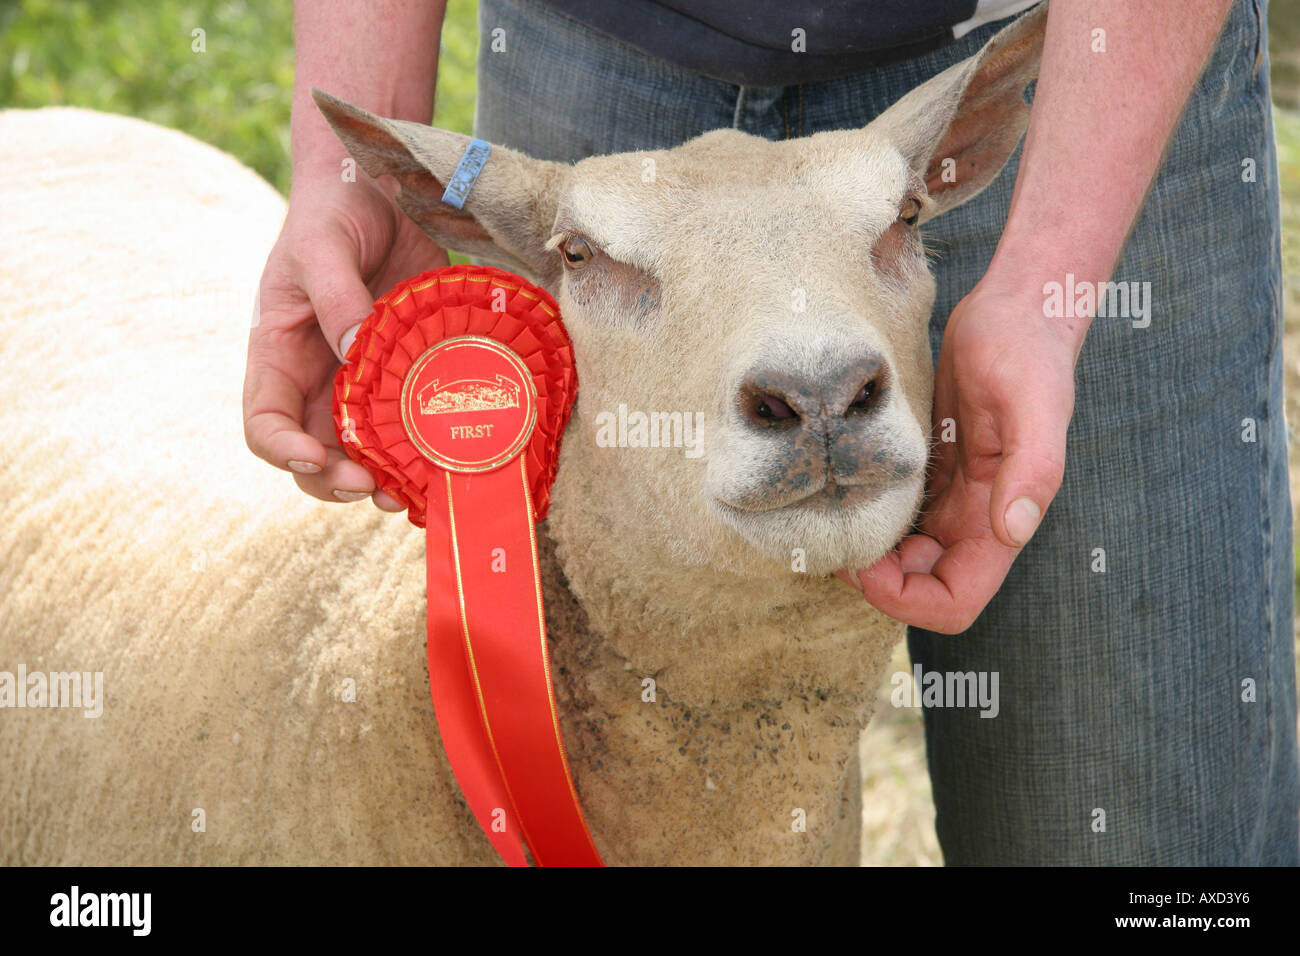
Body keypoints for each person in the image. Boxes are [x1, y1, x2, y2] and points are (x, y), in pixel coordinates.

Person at [244, 0, 1299, 864]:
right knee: (562, 762)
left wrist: (1046, 287)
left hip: (1070, 56)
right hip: (605, 49)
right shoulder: (573, 219)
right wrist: (353, 160)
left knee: (1123, 834)